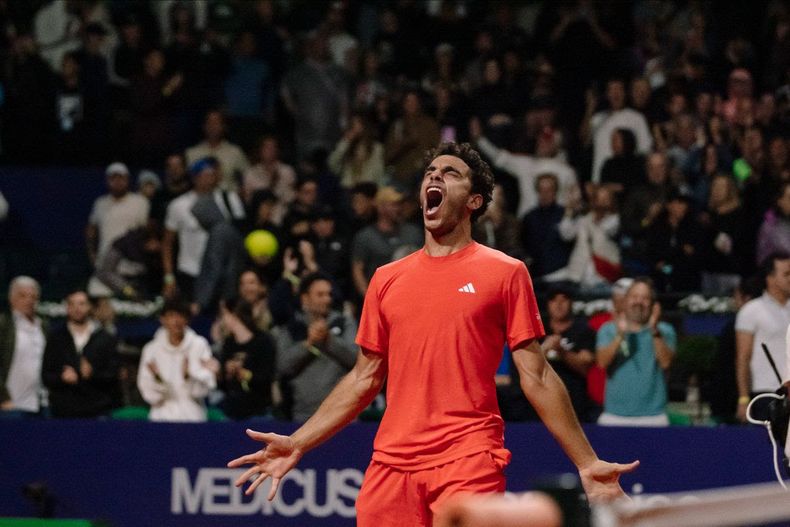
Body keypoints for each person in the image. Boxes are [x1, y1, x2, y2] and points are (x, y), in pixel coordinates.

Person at [228, 142, 637, 524]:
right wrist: (299, 441)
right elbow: (363, 377)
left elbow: (538, 375)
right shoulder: (386, 280)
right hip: (390, 466)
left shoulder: (505, 272)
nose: (435, 178)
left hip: (469, 457)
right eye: (430, 172)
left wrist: (586, 462)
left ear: (474, 201)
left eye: (451, 173)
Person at [272, 272, 357, 422]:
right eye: (320, 295)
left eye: (329, 294)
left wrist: (329, 340)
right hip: (302, 416)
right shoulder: (292, 329)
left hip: (343, 414)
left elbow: (357, 360)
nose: (327, 299)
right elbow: (282, 366)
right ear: (305, 298)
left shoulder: (344, 323)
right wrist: (308, 344)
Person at [595, 277, 676, 426]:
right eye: (634, 297)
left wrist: (654, 330)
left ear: (653, 304)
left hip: (653, 416)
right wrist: (620, 335)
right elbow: (602, 362)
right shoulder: (608, 330)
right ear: (625, 301)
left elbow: (666, 363)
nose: (639, 302)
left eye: (645, 298)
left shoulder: (664, 330)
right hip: (614, 416)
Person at [136, 299, 218, 422]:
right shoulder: (151, 349)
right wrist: (159, 381)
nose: (176, 321)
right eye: (171, 316)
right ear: (162, 319)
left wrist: (188, 376)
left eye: (180, 316)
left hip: (193, 418)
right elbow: (147, 390)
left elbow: (206, 386)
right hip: (160, 418)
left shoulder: (199, 345)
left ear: (187, 320)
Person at [41, 289, 119, 418]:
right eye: (72, 304)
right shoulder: (56, 338)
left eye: (82, 304)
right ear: (67, 307)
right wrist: (62, 378)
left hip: (97, 411)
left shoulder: (105, 338)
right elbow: (46, 376)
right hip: (64, 412)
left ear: (89, 307)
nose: (77, 308)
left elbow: (113, 375)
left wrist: (92, 374)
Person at [735, 252, 790, 422]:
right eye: (787, 274)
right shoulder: (751, 311)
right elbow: (743, 358)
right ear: (770, 278)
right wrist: (743, 399)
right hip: (765, 392)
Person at [0, 277, 47, 417]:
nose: (29, 301)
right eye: (23, 296)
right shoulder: (4, 325)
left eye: (33, 296)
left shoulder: (43, 325)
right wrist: (3, 398)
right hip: (11, 404)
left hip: (42, 403)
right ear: (11, 298)